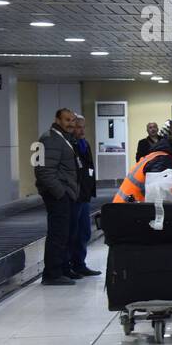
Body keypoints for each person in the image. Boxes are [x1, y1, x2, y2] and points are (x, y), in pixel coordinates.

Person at [34, 108, 81, 286]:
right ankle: (52, 273)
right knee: (57, 234)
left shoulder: (63, 139)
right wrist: (61, 193)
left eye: (72, 120)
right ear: (57, 120)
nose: (71, 123)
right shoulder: (50, 138)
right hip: (58, 195)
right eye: (67, 120)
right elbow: (43, 171)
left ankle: (62, 269)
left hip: (65, 193)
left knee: (65, 234)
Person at [113, 128, 172, 203]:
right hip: (128, 209)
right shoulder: (164, 160)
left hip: (125, 204)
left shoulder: (159, 154)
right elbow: (156, 193)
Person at [67, 114, 101, 277]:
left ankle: (79, 263)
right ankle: (68, 266)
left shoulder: (84, 144)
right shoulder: (68, 145)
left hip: (84, 194)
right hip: (74, 195)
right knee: (72, 232)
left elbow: (89, 168)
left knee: (84, 232)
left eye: (83, 127)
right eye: (78, 127)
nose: (81, 130)